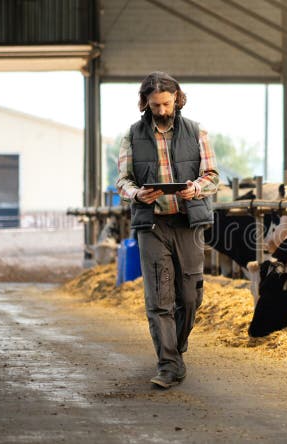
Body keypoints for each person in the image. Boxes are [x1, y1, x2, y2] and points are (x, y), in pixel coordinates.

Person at [116, 71, 219, 389]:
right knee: (160, 297)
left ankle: (175, 346)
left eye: (165, 103)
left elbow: (214, 176)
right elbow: (123, 180)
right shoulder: (132, 136)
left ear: (177, 98)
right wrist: (137, 194)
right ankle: (168, 364)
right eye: (154, 104)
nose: (161, 110)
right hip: (152, 225)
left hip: (187, 223)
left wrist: (196, 189)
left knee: (189, 297)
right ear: (144, 102)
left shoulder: (197, 132)